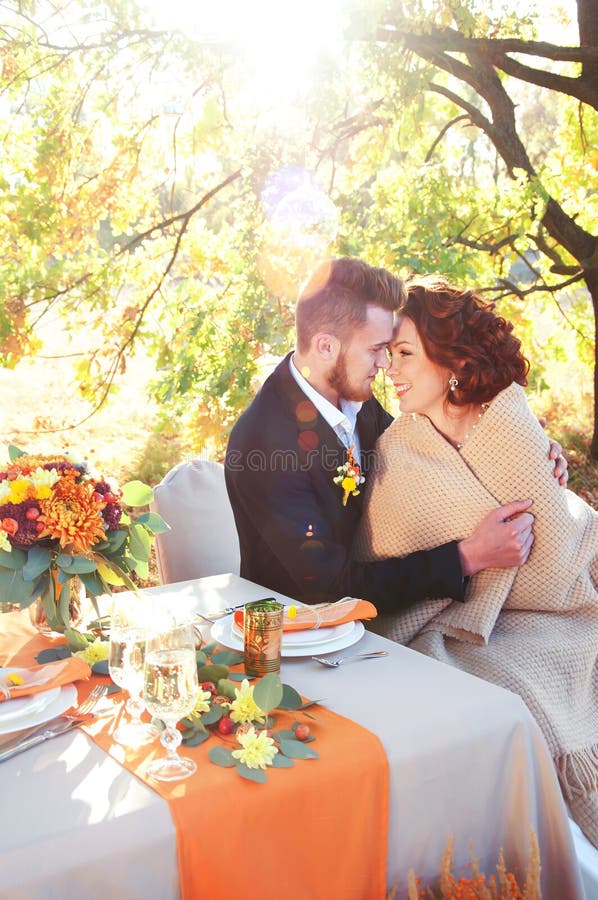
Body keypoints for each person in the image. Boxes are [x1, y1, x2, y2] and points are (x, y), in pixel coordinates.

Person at [354, 274, 597, 847]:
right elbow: (383, 556)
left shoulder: (508, 422)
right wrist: (475, 557)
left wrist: (551, 479)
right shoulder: (397, 448)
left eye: (406, 354)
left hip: (557, 602)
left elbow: (556, 547)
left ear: (451, 361)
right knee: (516, 687)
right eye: (388, 354)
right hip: (455, 624)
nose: (392, 369)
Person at [225, 257, 566, 612]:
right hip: (299, 635)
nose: (386, 365)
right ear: (326, 347)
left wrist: (523, 447)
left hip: (376, 621)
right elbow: (327, 588)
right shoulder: (261, 443)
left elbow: (423, 451)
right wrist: (465, 557)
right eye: (376, 350)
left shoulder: (355, 400)